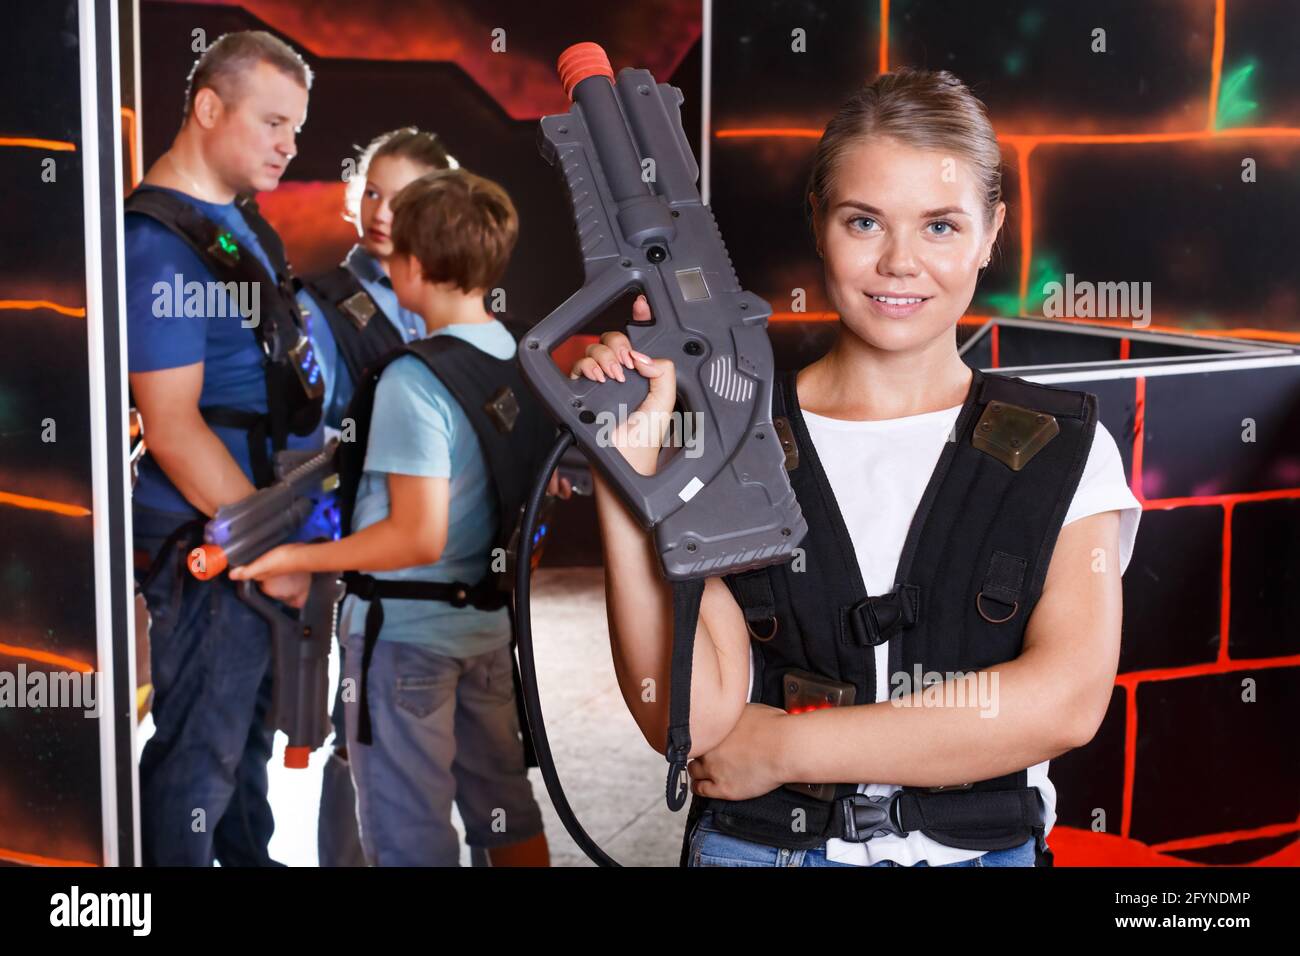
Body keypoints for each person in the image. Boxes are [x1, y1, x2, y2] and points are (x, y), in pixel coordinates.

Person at [568, 68, 1142, 868]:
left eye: (940, 226)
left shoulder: (1061, 446)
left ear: (991, 231)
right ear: (818, 220)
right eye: (865, 221)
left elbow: (1064, 703)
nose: (900, 262)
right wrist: (629, 475)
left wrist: (789, 751)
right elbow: (694, 722)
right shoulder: (731, 432)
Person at [232, 168, 568, 866]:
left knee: (408, 838)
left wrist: (291, 558)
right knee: (505, 816)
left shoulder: (415, 378)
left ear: (411, 266)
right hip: (485, 630)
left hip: (406, 643)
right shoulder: (522, 359)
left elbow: (415, 535)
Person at [125, 30, 323, 866]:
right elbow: (171, 426)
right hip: (211, 544)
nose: (287, 145)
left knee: (240, 738)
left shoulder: (232, 222)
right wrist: (267, 543)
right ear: (208, 107)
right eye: (272, 123)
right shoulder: (159, 244)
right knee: (197, 757)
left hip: (256, 522)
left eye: (297, 130)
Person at [300, 126, 458, 867]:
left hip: (460, 563)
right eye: (370, 190)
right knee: (358, 730)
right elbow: (311, 434)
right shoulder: (321, 306)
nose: (382, 209)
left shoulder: (452, 304)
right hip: (375, 550)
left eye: (404, 196)